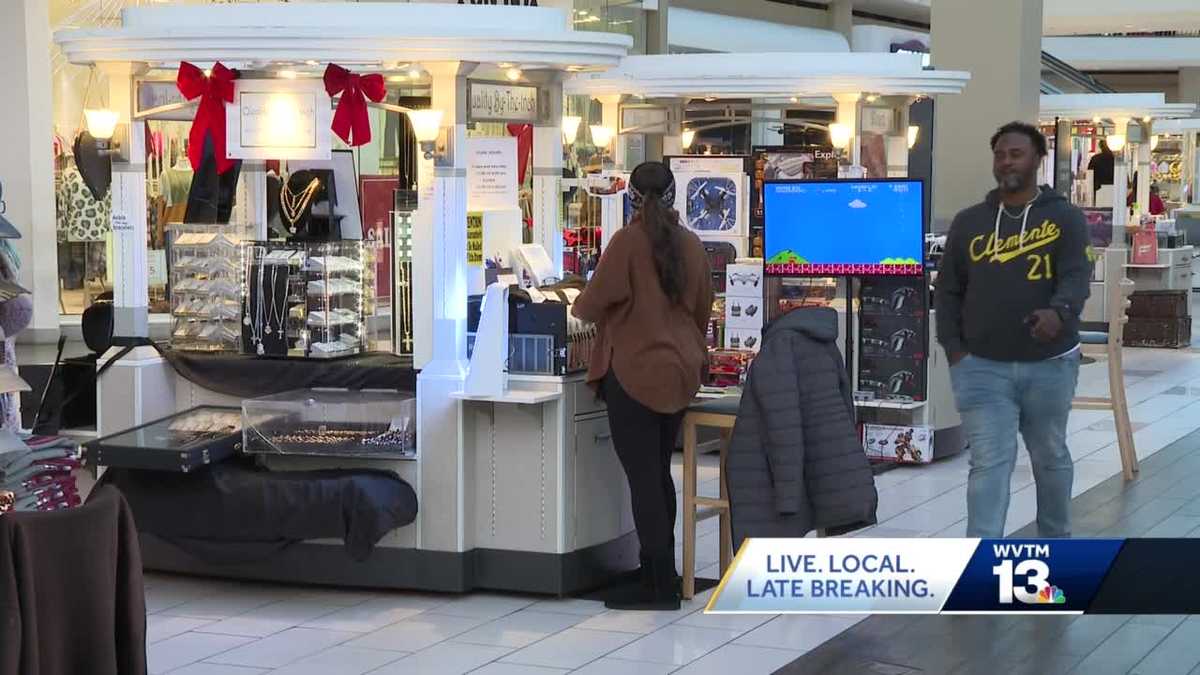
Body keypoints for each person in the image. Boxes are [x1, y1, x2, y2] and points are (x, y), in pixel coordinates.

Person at [935, 121, 1091, 539]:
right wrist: (954, 349)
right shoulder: (970, 223)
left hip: (1050, 365)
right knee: (989, 462)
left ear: (1038, 159)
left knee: (1050, 455)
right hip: (981, 367)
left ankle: (1056, 548)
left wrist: (1060, 312)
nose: (1006, 161)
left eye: (1016, 153)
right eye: (1000, 154)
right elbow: (948, 289)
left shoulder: (1065, 218)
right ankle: (981, 562)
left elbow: (1077, 277)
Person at [572, 161, 713, 611]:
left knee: (643, 481)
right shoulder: (692, 245)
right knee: (657, 473)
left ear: (630, 197)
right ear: (675, 197)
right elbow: (703, 310)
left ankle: (658, 586)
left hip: (634, 373)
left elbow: (588, 308)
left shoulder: (626, 243)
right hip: (681, 373)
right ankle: (660, 572)